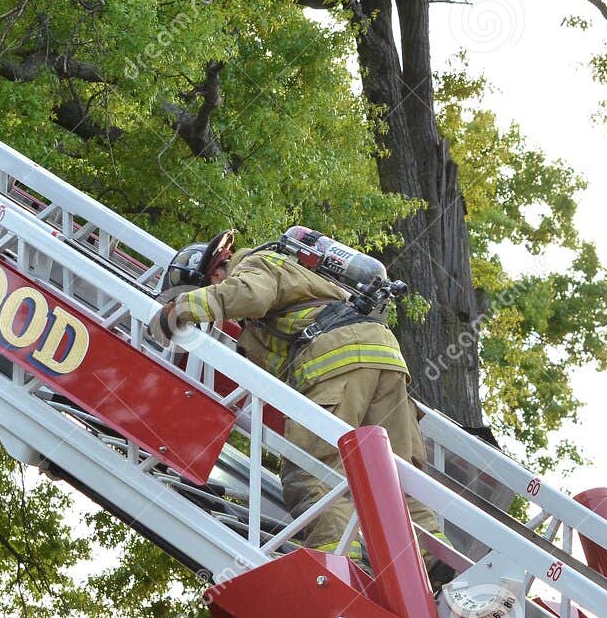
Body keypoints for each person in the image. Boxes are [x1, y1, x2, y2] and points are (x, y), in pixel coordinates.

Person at [150, 231, 449, 580]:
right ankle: (431, 557)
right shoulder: (297, 273)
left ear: (214, 273)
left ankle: (340, 564)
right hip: (384, 355)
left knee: (312, 470)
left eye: (201, 290)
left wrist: (178, 311)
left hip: (338, 358)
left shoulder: (254, 263)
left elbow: (249, 294)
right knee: (392, 473)